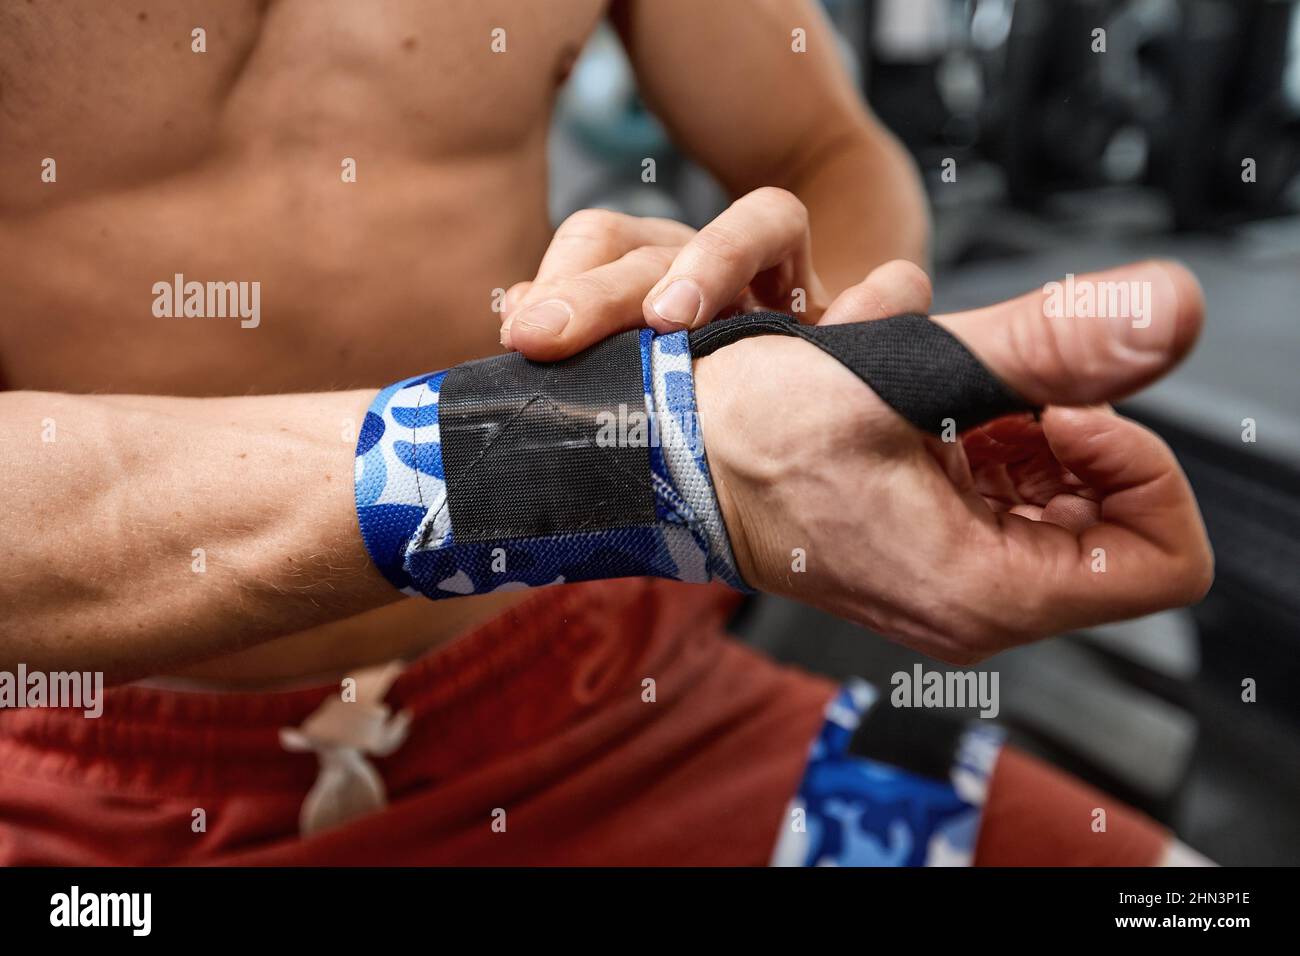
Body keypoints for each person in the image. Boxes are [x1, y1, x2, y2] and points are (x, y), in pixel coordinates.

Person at [0, 1, 1211, 865]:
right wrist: (620, 451)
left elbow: (820, 145)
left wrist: (804, 371)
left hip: (595, 693)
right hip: (86, 772)